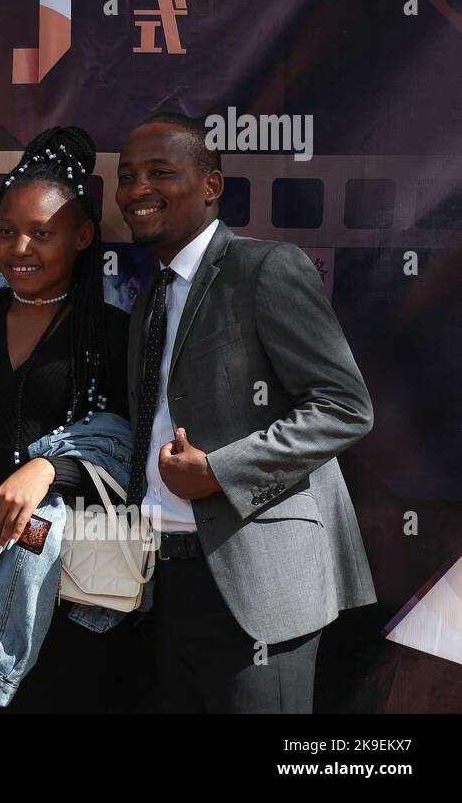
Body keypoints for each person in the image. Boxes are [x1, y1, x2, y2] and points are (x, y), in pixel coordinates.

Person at [116, 111, 375, 713]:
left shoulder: (266, 268)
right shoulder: (148, 299)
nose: (137, 190)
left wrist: (220, 471)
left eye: (160, 172)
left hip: (259, 587)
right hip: (164, 584)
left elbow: (345, 408)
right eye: (127, 176)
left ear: (211, 185)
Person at [0, 127, 148, 713]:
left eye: (42, 234)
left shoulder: (115, 337)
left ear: (84, 236)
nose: (20, 248)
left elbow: (126, 456)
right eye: (6, 231)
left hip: (71, 589)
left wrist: (50, 468)